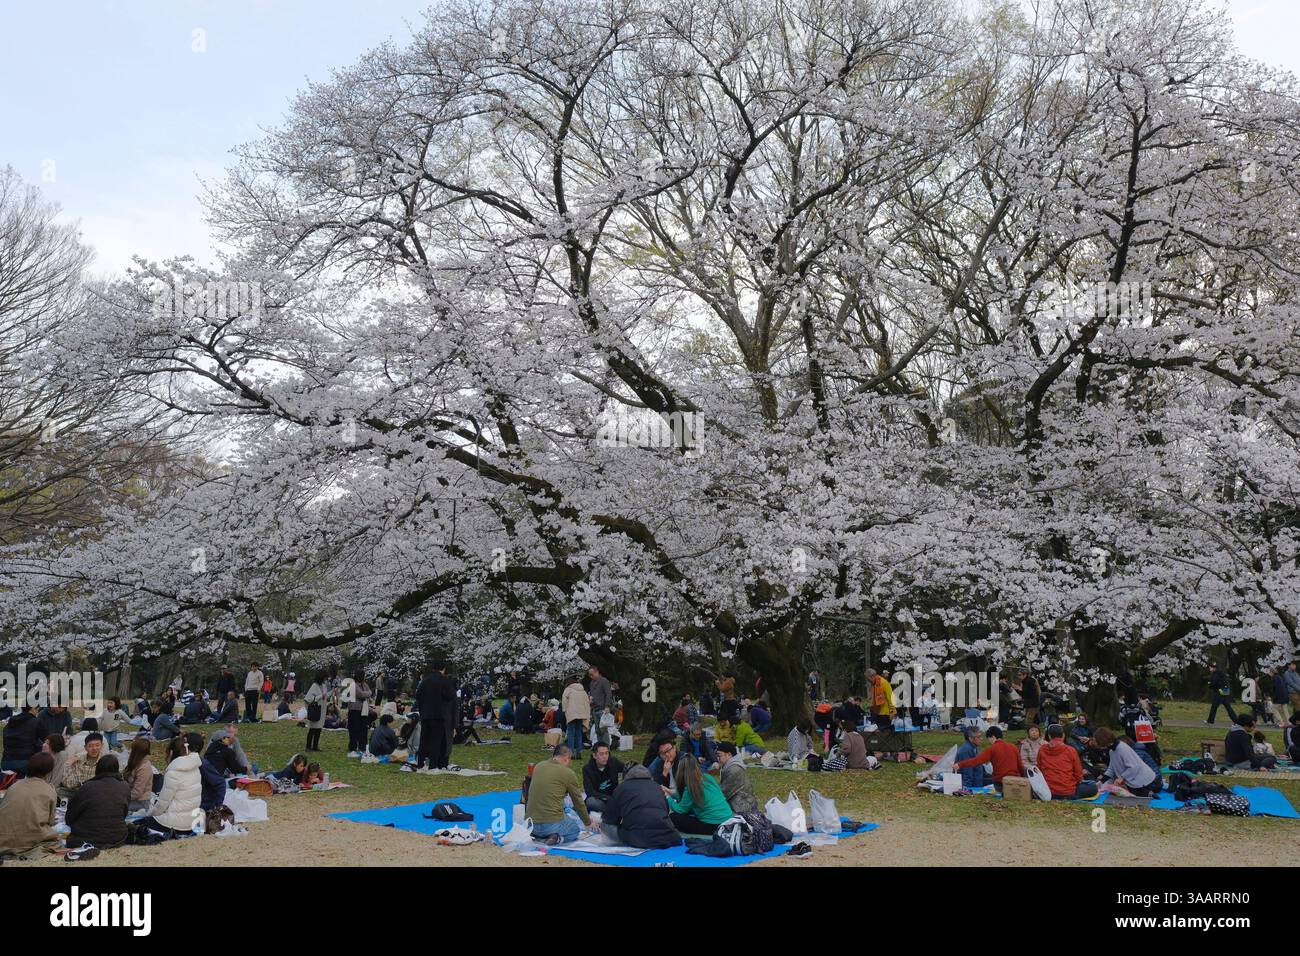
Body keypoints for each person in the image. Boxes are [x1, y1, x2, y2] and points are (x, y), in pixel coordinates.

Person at [526, 745, 594, 844]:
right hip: (550, 824)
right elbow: (578, 802)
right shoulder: (567, 773)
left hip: (530, 824)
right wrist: (588, 822)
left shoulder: (539, 766)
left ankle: (539, 838)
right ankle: (556, 838)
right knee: (574, 830)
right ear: (567, 759)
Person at [602, 763, 681, 849]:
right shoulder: (657, 786)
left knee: (605, 826)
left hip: (638, 837)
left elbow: (609, 819)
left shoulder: (621, 788)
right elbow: (665, 810)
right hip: (665, 836)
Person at [0, 751, 61, 858]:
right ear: (49, 770)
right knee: (56, 841)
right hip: (29, 840)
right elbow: (50, 821)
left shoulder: (14, 786)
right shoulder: (49, 790)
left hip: (3, 840)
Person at [141, 737, 203, 838]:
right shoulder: (195, 767)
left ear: (171, 752)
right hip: (192, 821)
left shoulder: (173, 772)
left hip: (175, 824)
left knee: (145, 822)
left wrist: (151, 813)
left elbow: (162, 804)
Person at [65, 755, 130, 851]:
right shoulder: (125, 787)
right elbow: (124, 813)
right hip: (117, 838)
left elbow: (70, 816)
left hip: (84, 839)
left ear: (98, 768)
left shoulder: (87, 787)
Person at [664, 752, 732, 836]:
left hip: (713, 825)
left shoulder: (691, 787)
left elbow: (680, 810)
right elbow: (686, 798)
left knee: (674, 817)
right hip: (728, 820)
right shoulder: (708, 777)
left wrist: (667, 797)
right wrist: (669, 792)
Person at [1094, 727, 1162, 796]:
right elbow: (1111, 769)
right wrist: (1101, 782)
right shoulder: (1112, 751)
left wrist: (1122, 778)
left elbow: (1134, 766)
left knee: (1125, 791)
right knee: (1119, 790)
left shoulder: (1122, 748)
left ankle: (1147, 793)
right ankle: (1146, 793)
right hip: (1137, 781)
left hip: (1150, 781)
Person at [1037, 724, 1098, 800]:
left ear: (1049, 736)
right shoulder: (1070, 750)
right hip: (1068, 792)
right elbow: (1078, 774)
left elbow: (1039, 769)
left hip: (1047, 791)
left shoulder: (1042, 749)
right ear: (1063, 735)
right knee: (1093, 786)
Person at [414, 662, 455, 771]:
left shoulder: (425, 680)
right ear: (443, 669)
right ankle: (433, 765)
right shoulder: (444, 680)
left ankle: (420, 763)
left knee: (424, 739)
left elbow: (418, 695)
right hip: (438, 715)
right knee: (435, 740)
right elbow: (451, 696)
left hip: (425, 715)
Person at [715, 741, 759, 815]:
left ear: (729, 755)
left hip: (743, 807)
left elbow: (724, 792)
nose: (718, 758)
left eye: (719, 755)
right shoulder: (729, 766)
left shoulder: (734, 769)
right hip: (738, 802)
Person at [582, 741, 625, 813]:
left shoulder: (613, 762)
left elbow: (627, 769)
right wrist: (608, 799)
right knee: (591, 802)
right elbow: (590, 792)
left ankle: (615, 810)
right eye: (601, 754)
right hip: (599, 799)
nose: (605, 756)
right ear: (594, 755)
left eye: (606, 753)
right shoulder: (587, 769)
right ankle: (615, 811)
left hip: (614, 796)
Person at [1, 703, 43, 775]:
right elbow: (41, 743)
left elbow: (5, 744)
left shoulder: (9, 723)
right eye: (37, 709)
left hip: (6, 763)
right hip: (25, 763)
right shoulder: (36, 722)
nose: (37, 712)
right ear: (32, 709)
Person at [60, 732, 106, 797]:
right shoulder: (78, 760)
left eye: (97, 745)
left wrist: (81, 781)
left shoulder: (105, 762)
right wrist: (68, 763)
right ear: (85, 747)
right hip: (78, 794)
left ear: (102, 745)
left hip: (98, 796)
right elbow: (68, 783)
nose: (94, 748)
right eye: (90, 746)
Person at [561, 674, 591, 761]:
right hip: (581, 714)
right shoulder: (583, 690)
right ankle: (579, 752)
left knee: (571, 733)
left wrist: (565, 710)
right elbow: (587, 702)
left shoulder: (568, 689)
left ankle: (571, 753)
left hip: (571, 714)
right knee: (578, 733)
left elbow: (564, 701)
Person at [123, 736, 156, 813]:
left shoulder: (144, 768)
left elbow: (137, 792)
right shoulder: (136, 761)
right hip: (130, 796)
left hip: (140, 802)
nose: (130, 751)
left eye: (132, 749)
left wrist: (122, 797)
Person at [345, 672, 373, 756]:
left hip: (363, 710)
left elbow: (368, 692)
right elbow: (360, 694)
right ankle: (353, 747)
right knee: (354, 728)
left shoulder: (365, 685)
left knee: (363, 728)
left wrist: (368, 694)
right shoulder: (353, 685)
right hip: (354, 709)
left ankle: (362, 746)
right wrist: (368, 693)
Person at [588, 666, 613, 747]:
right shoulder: (591, 683)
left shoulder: (604, 681)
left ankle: (606, 747)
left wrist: (607, 706)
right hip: (595, 708)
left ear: (597, 672)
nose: (591, 676)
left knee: (603, 730)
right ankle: (600, 747)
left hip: (602, 709)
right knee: (597, 730)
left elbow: (608, 694)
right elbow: (592, 694)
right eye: (590, 675)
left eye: (592, 674)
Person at [303, 673, 328, 752]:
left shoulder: (324, 686)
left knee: (319, 729)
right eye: (324, 678)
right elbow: (308, 699)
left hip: (322, 709)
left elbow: (325, 696)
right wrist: (320, 696)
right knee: (312, 729)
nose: (325, 680)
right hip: (315, 710)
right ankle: (308, 747)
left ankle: (315, 746)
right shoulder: (314, 686)